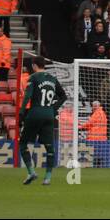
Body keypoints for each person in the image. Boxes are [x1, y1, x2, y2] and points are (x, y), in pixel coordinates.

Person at [18, 56, 67, 186]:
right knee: (50, 147)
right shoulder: (52, 79)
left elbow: (27, 96)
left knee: (23, 144)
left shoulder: (33, 78)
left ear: (34, 65)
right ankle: (48, 178)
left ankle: (31, 172)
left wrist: (21, 113)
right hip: (49, 115)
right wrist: (53, 108)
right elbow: (64, 96)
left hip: (35, 113)